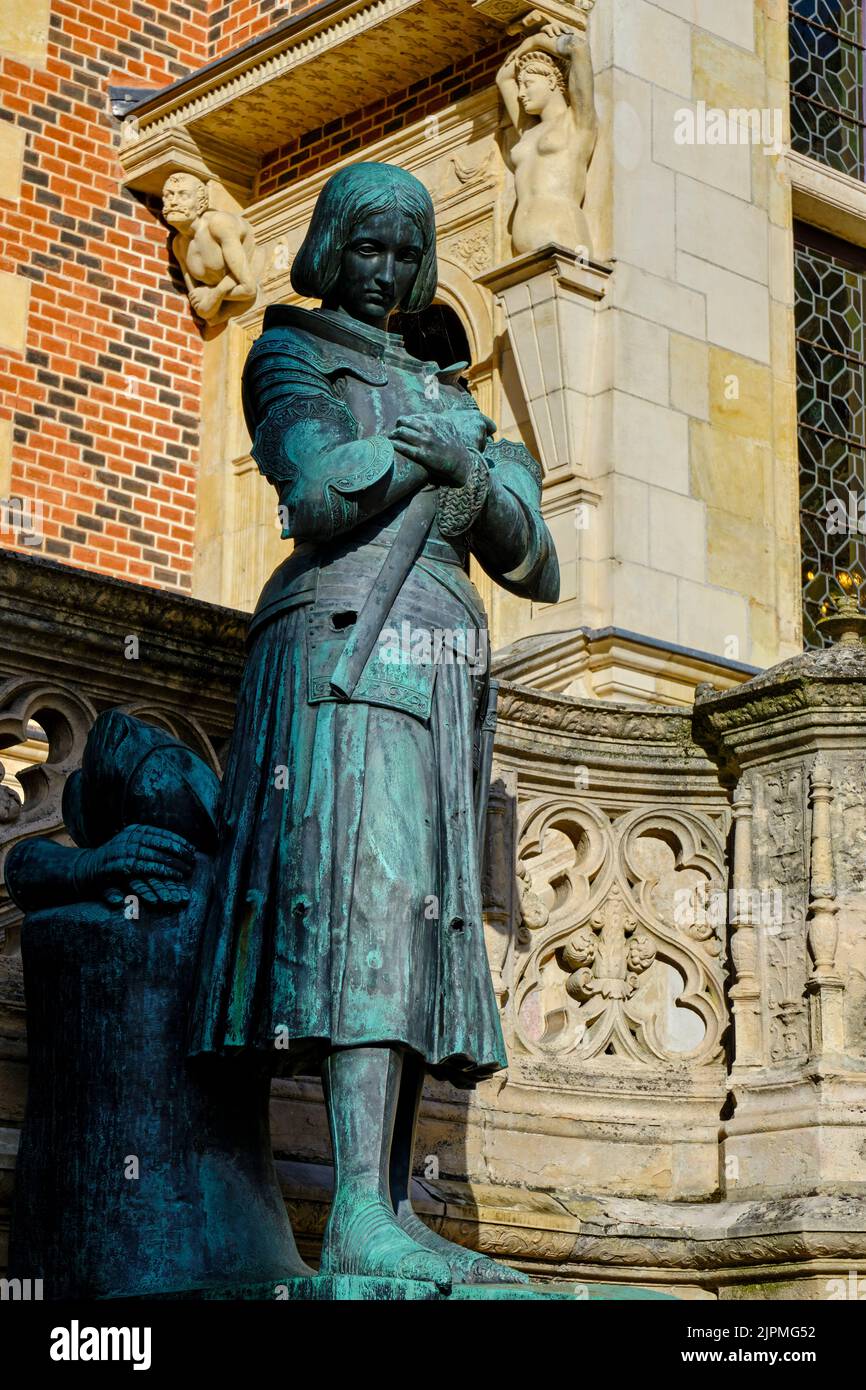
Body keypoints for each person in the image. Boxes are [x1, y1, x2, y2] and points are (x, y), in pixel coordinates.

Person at [189, 162, 559, 1289]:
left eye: (408, 250)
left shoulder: (450, 383)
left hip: (439, 667)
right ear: (328, 246)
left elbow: (536, 556)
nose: (388, 269)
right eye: (368, 247)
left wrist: (477, 475)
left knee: (418, 915)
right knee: (369, 901)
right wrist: (417, 450)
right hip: (345, 643)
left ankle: (388, 1202)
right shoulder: (290, 351)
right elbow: (310, 488)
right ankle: (352, 1205)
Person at [496, 22, 598, 257]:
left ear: (551, 81)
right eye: (520, 85)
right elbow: (503, 78)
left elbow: (578, 49)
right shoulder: (528, 132)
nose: (521, 93)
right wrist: (524, 49)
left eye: (528, 84)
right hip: (522, 246)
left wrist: (535, 42)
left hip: (563, 234)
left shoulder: (576, 123)